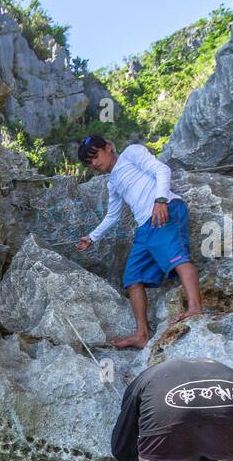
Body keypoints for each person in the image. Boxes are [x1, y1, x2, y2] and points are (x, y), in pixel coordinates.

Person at [74, 135, 205, 349]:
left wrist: (161, 200)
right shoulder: (112, 183)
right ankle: (141, 335)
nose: (94, 164)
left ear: (108, 147)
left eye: (95, 156)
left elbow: (162, 170)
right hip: (145, 226)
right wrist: (91, 237)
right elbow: (112, 216)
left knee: (177, 257)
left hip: (165, 210)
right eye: (89, 163)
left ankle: (195, 308)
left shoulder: (131, 154)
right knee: (133, 278)